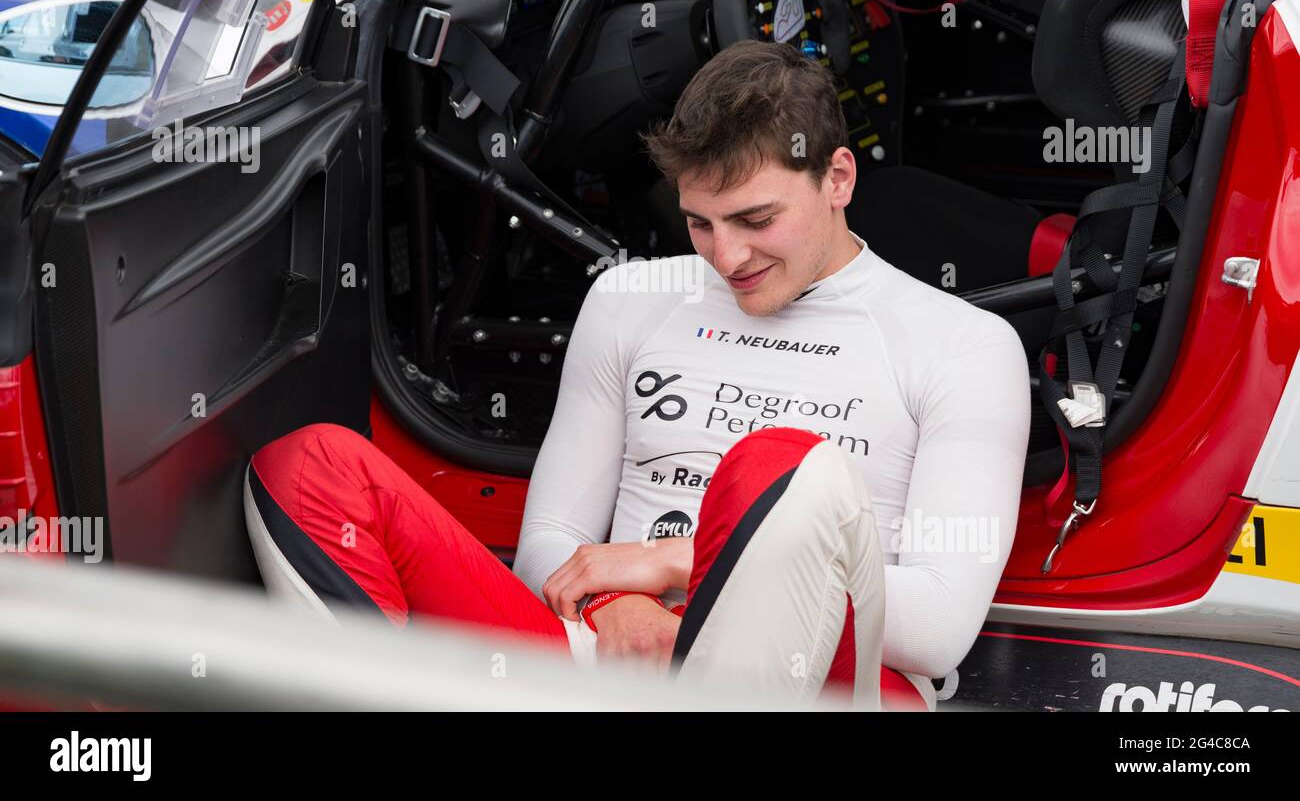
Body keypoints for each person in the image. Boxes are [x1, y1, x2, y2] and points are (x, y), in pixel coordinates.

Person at [245, 40, 1032, 711]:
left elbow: (938, 623)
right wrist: (618, 600)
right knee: (309, 466)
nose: (728, 258)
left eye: (757, 220)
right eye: (699, 223)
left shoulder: (964, 344)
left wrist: (668, 570)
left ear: (837, 179)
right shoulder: (629, 299)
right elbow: (548, 548)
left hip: (813, 683)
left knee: (778, 470)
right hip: (602, 660)